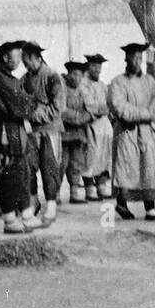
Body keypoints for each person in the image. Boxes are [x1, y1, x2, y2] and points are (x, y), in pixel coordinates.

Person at [0, 41, 45, 234]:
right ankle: (11, 218)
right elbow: (21, 103)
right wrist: (33, 101)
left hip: (14, 131)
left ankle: (26, 214)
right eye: (17, 57)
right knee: (11, 175)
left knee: (21, 172)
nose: (20, 61)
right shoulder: (2, 79)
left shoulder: (4, 77)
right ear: (5, 58)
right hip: (7, 132)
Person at [108, 43, 155, 221]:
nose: (136, 61)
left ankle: (150, 208)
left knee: (149, 167)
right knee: (126, 167)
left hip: (147, 132)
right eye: (132, 57)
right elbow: (121, 108)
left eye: (139, 58)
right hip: (128, 132)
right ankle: (121, 204)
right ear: (126, 59)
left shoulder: (149, 81)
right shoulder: (118, 82)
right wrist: (147, 114)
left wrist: (149, 114)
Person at [21, 42, 65, 225]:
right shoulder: (24, 79)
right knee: (29, 166)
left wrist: (36, 114)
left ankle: (52, 205)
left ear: (37, 58)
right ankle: (34, 201)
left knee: (49, 168)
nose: (25, 64)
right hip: (31, 131)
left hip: (50, 130)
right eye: (24, 61)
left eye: (28, 60)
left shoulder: (52, 76)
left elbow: (58, 106)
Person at [81, 53, 114, 200]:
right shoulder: (84, 84)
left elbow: (110, 103)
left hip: (105, 125)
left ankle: (101, 185)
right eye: (94, 66)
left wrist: (106, 108)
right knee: (91, 155)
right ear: (89, 66)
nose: (97, 69)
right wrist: (103, 108)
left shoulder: (102, 85)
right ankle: (89, 187)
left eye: (99, 66)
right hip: (92, 124)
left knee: (105, 155)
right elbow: (90, 105)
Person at [60, 61, 93, 203]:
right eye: (74, 74)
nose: (77, 78)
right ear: (68, 75)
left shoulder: (83, 91)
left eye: (80, 75)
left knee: (77, 162)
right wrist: (78, 117)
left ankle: (74, 192)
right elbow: (61, 110)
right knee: (62, 163)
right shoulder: (62, 89)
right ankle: (54, 194)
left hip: (79, 134)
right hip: (64, 133)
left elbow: (91, 109)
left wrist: (84, 117)